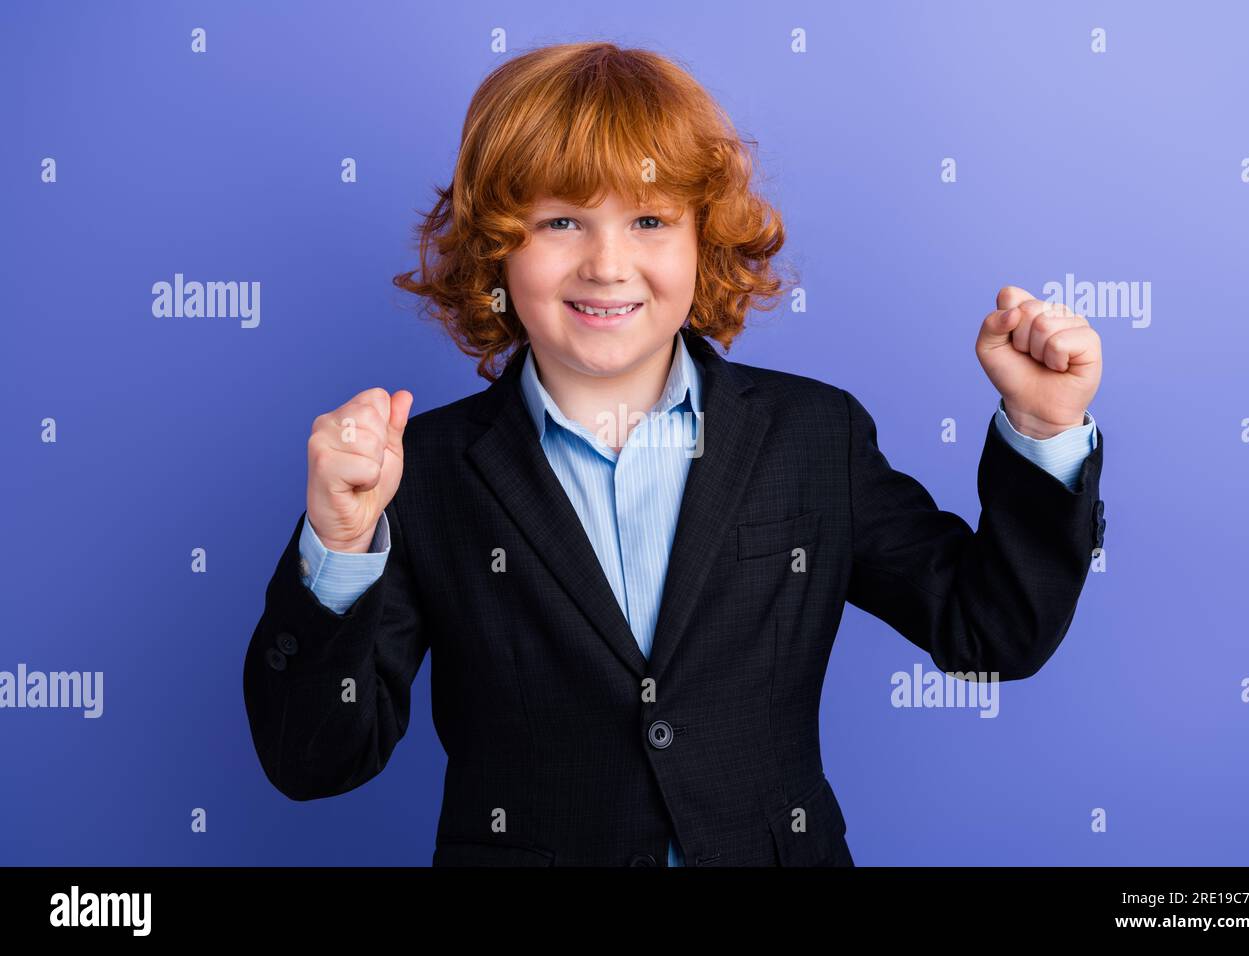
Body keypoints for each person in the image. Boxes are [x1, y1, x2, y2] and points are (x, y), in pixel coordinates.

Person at [243, 41, 1104, 867]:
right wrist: (338, 546)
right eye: (561, 221)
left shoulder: (816, 435)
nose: (607, 265)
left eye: (650, 219)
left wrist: (1042, 429)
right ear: (499, 247)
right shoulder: (420, 472)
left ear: (705, 242)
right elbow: (315, 761)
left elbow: (994, 633)